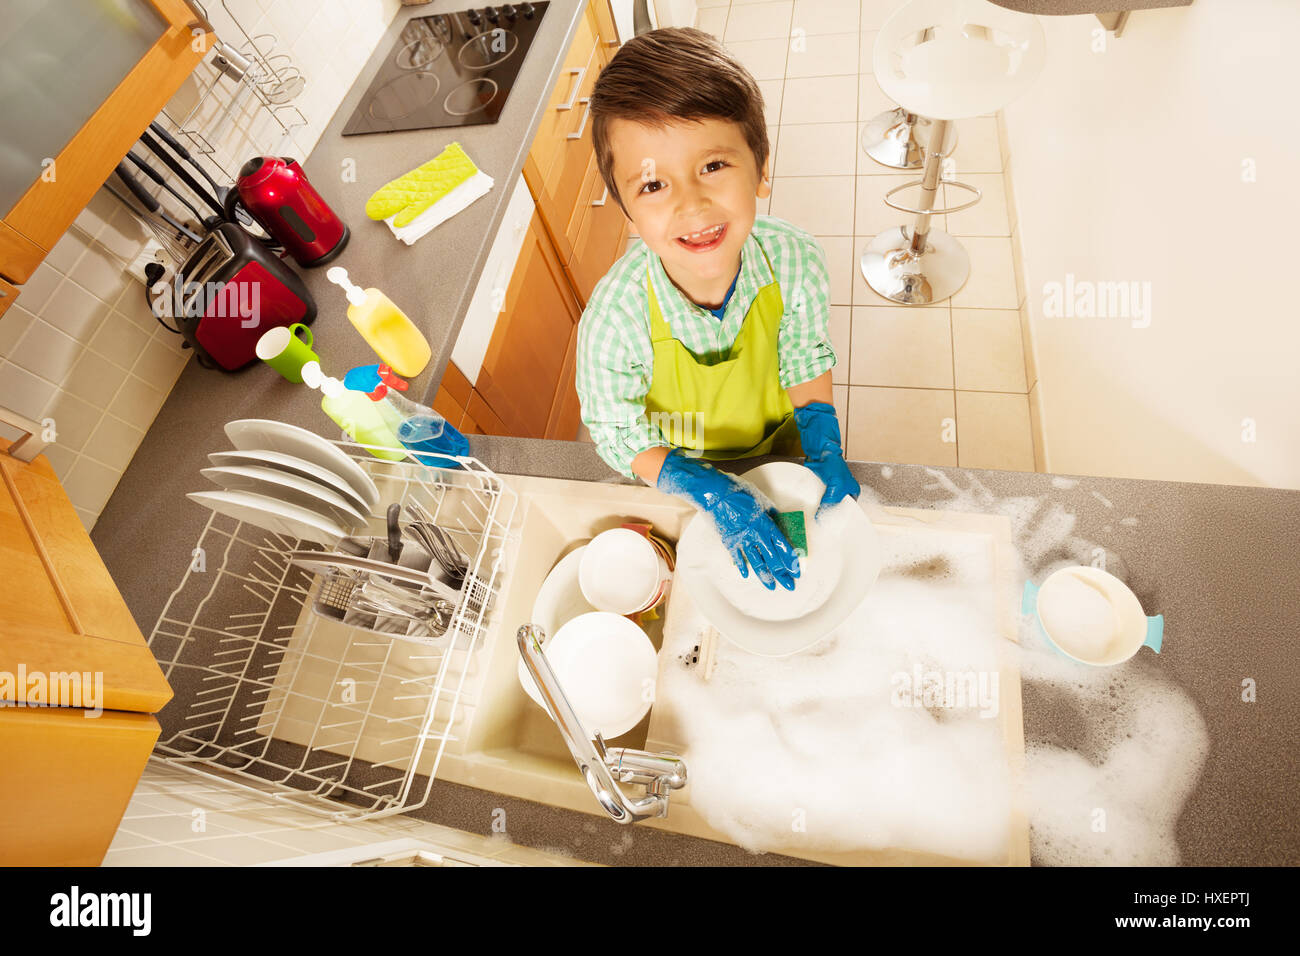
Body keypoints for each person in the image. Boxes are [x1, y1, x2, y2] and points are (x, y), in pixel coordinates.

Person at [576, 27, 859, 592]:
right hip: (677, 469)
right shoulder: (615, 318)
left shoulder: (795, 260)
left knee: (803, 575)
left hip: (782, 446)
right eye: (653, 184)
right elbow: (616, 431)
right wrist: (709, 490)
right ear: (626, 208)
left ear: (761, 167)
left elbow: (803, 355)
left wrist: (823, 441)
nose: (691, 204)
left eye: (712, 166)